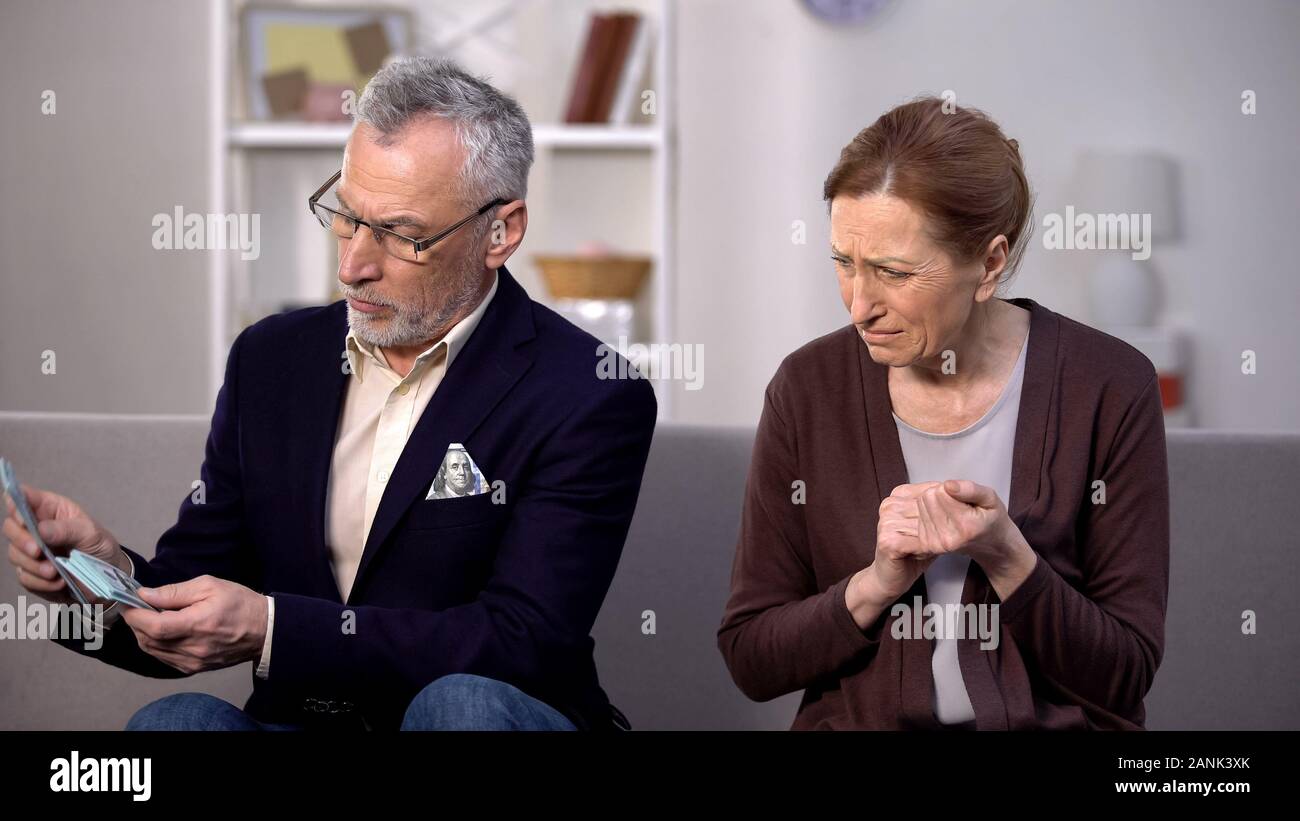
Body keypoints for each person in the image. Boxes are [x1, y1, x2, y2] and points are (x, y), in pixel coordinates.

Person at [3, 57, 656, 731]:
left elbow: (523, 641)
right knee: (178, 721)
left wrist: (275, 628)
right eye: (346, 216)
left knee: (458, 706)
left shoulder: (590, 393)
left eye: (401, 235)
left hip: (474, 718)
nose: (352, 264)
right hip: (306, 721)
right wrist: (102, 578)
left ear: (502, 231)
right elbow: (194, 604)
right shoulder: (270, 360)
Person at [717, 97, 1169, 730]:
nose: (858, 306)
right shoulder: (807, 388)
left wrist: (1008, 557)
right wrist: (875, 584)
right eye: (843, 264)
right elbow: (752, 660)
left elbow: (1124, 674)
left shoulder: (1109, 385)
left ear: (988, 264)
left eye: (893, 272)